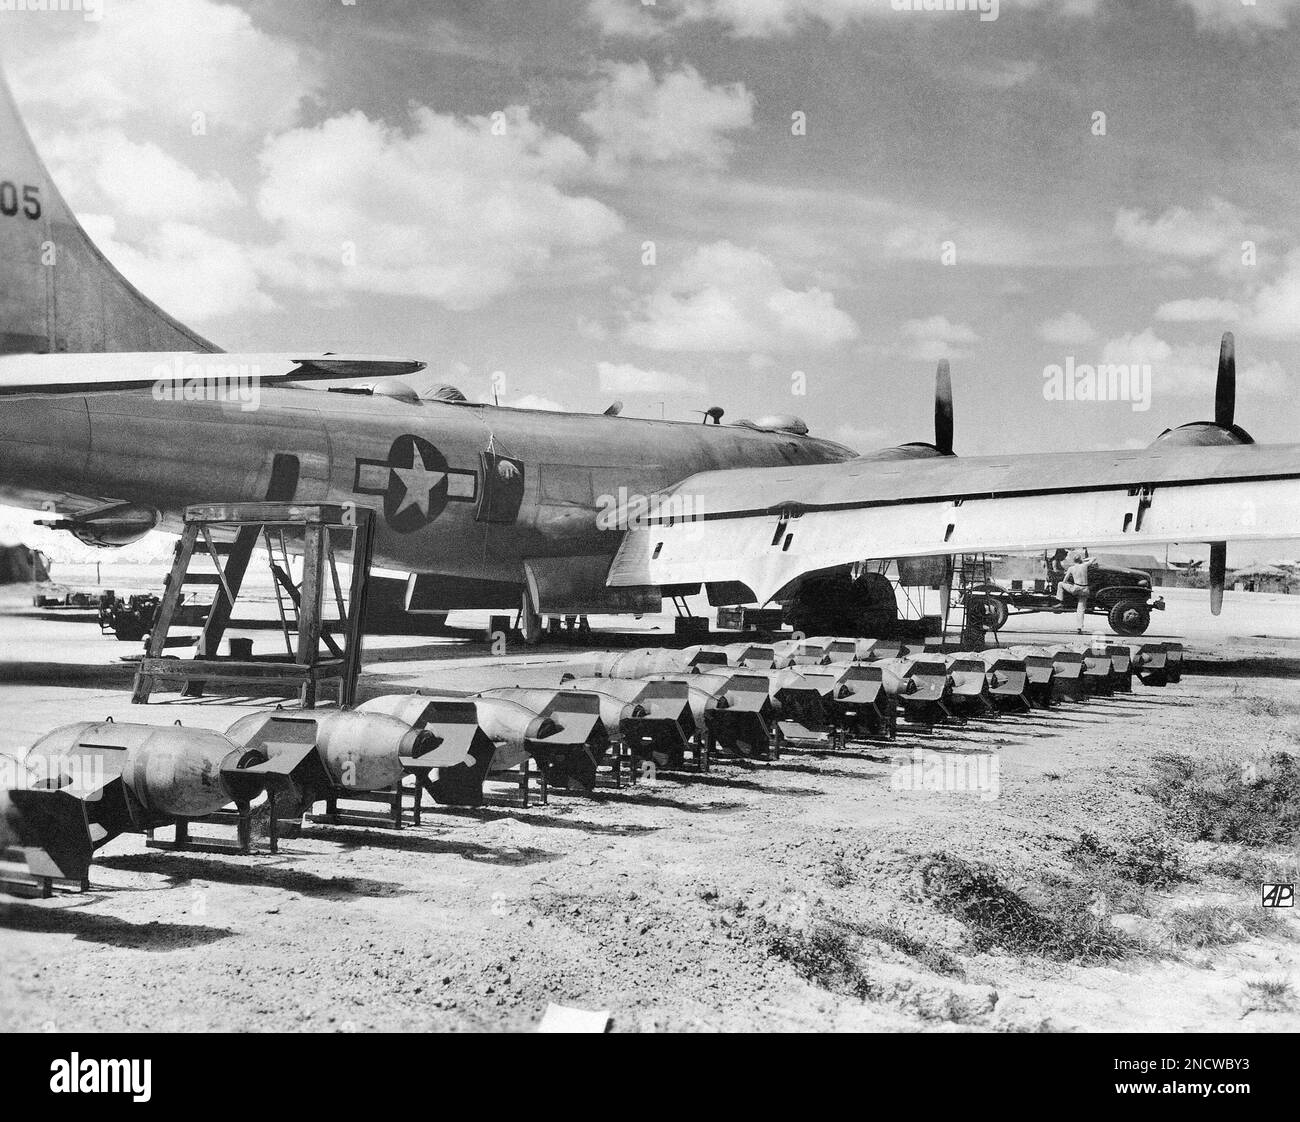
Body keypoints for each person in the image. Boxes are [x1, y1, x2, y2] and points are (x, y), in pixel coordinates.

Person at [1057, 549, 1094, 633]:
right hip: (1085, 589)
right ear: (1080, 560)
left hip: (1076, 589)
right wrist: (1084, 560)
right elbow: (1094, 558)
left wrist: (1069, 584)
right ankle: (1079, 627)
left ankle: (1060, 600)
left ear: (1073, 561)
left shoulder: (1071, 568)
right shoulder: (1085, 566)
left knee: (1060, 584)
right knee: (1080, 609)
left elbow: (1064, 581)